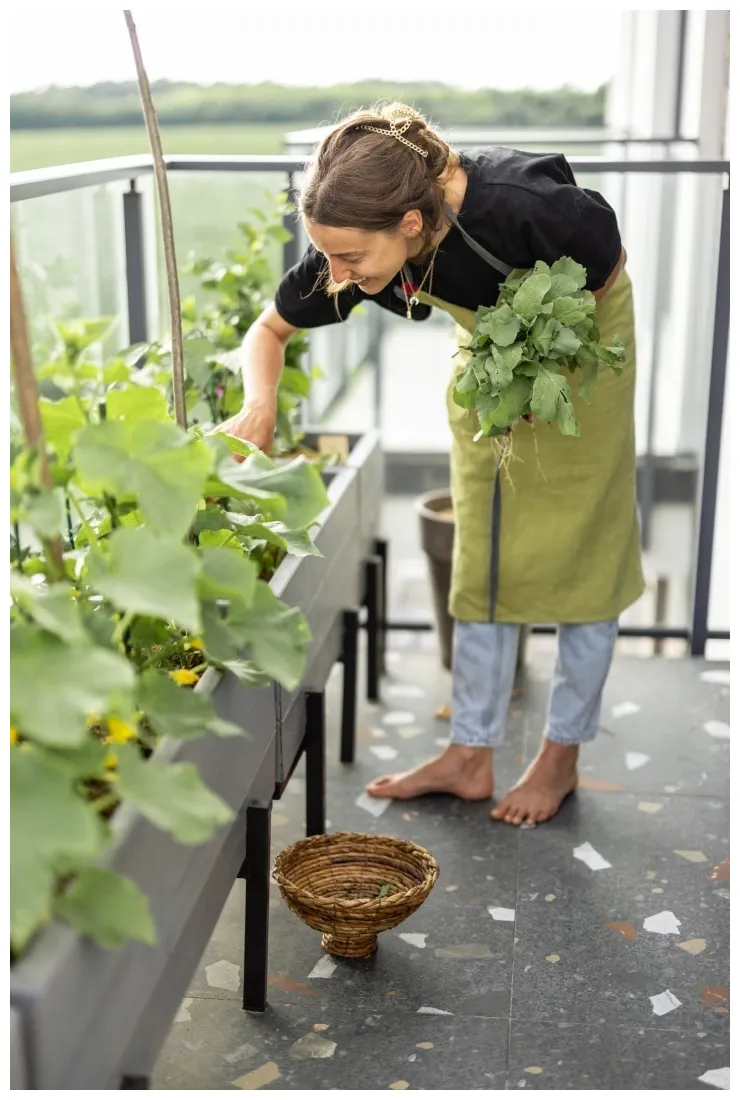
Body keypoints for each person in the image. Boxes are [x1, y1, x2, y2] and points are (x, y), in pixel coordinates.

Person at [219, 102, 644, 827]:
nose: (336, 274)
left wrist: (543, 362)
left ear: (411, 224)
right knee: (482, 551)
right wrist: (258, 405)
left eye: (350, 259)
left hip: (583, 354)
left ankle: (561, 754)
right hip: (489, 360)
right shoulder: (355, 239)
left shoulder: (522, 205)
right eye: (327, 255)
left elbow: (605, 270)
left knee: (588, 556)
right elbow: (271, 328)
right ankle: (470, 753)